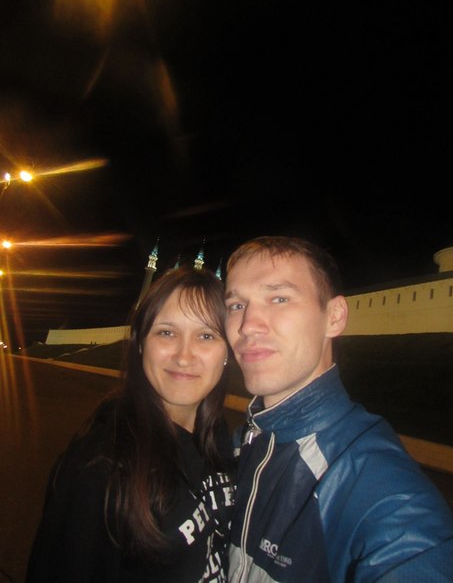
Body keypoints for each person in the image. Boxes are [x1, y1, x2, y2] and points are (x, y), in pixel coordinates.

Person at [224, 235, 453, 582]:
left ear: (334, 316)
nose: (247, 325)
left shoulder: (375, 483)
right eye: (236, 305)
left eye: (279, 298)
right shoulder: (241, 446)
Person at [26, 264, 235, 582]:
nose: (184, 355)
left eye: (206, 335)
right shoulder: (100, 469)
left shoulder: (218, 435)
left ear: (227, 352)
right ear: (140, 343)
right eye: (167, 333)